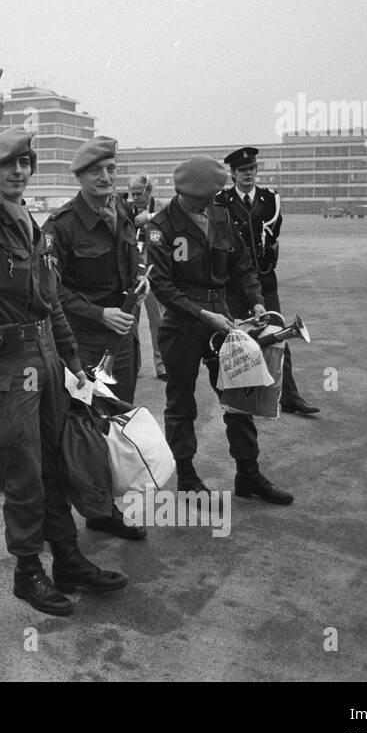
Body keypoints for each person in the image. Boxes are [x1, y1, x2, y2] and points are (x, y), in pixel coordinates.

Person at [0, 69, 127, 617]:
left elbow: (52, 301)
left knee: (56, 464)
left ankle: (68, 559)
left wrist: (75, 365)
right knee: (25, 473)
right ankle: (27, 572)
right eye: (9, 163)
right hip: (8, 367)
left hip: (48, 359)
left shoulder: (31, 227)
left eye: (24, 163)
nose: (18, 172)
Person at [144, 156, 294, 505]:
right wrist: (201, 314)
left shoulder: (220, 215)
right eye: (201, 198)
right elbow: (161, 285)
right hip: (183, 324)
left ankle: (248, 475)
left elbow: (242, 265)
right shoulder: (160, 226)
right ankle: (187, 477)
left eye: (213, 196)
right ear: (181, 192)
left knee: (239, 398)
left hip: (223, 318)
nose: (208, 203)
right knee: (181, 404)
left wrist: (256, 301)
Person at [44, 138, 147, 541]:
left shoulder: (120, 210)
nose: (105, 177)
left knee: (117, 421)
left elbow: (133, 255)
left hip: (123, 338)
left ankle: (108, 505)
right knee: (84, 427)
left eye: (110, 170)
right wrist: (99, 312)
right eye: (95, 172)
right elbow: (53, 291)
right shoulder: (62, 225)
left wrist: (141, 279)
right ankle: (92, 508)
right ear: (80, 177)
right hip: (85, 340)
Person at [217, 146, 319, 416]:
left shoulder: (270, 199)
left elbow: (272, 234)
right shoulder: (221, 201)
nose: (248, 174)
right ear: (233, 174)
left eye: (251, 169)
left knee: (277, 336)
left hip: (264, 279)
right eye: (242, 171)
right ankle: (245, 398)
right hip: (233, 284)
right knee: (240, 341)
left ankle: (289, 396)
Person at [123, 174, 167, 381]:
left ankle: (162, 367)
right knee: (130, 320)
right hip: (132, 274)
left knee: (158, 320)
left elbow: (173, 215)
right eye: (132, 193)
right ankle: (133, 365)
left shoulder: (161, 207)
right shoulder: (124, 207)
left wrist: (149, 217)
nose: (134, 198)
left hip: (154, 272)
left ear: (149, 192)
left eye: (138, 193)